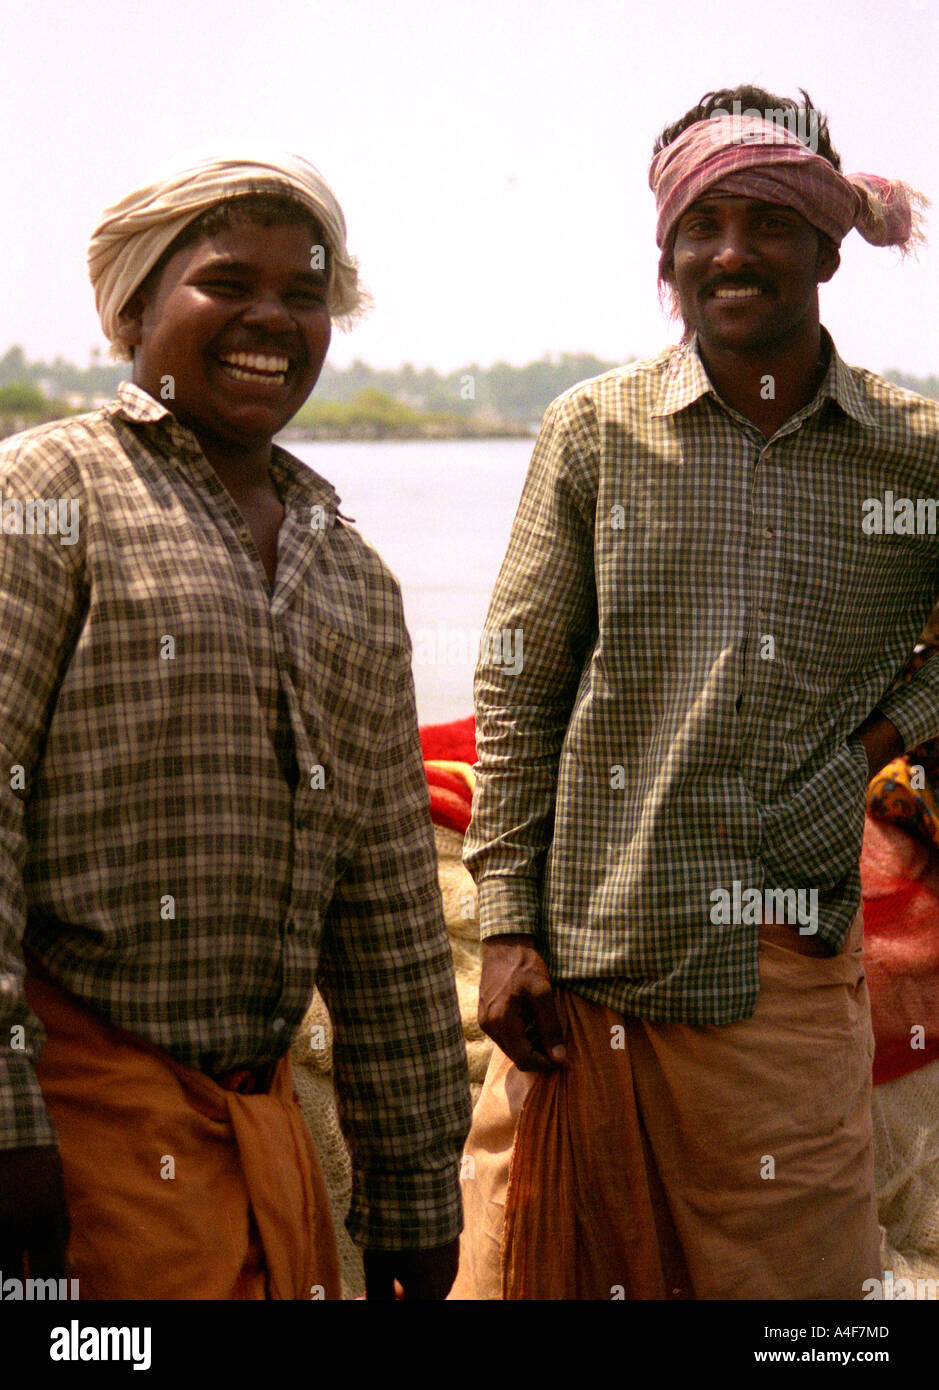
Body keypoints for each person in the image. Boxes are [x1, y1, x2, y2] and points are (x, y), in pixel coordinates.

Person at [457, 86, 938, 1300]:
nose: (734, 251)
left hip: (777, 969)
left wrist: (875, 744)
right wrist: (507, 926)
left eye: (771, 221)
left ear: (830, 246)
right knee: (526, 1268)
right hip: (582, 964)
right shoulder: (595, 433)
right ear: (666, 254)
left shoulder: (912, 448)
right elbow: (519, 683)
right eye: (703, 223)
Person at [0, 150, 471, 1300]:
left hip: (261, 1143)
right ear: (136, 306)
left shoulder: (353, 574)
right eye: (227, 283)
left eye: (304, 293)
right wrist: (9, 1124)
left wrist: (414, 1186)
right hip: (83, 1116)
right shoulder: (46, 497)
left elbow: (389, 908)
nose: (271, 317)